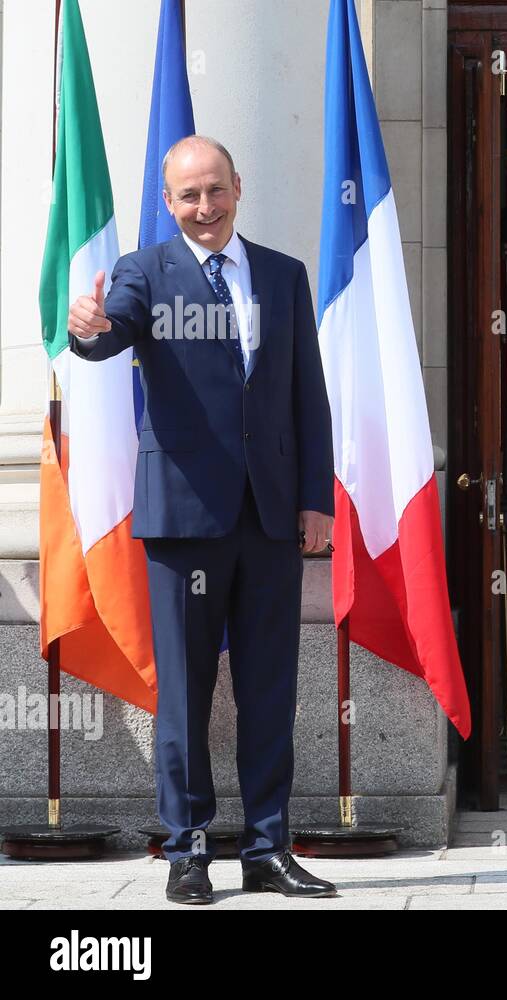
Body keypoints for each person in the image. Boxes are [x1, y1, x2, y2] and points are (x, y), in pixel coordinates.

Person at [66, 135, 337, 904]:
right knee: (184, 691)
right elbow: (110, 333)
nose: (205, 207)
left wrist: (314, 497)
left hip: (272, 516)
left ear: (238, 186)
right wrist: (88, 328)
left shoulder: (284, 276)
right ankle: (187, 850)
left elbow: (304, 393)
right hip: (185, 515)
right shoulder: (144, 273)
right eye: (188, 195)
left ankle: (268, 848)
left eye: (215, 190)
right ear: (168, 202)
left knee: (270, 686)